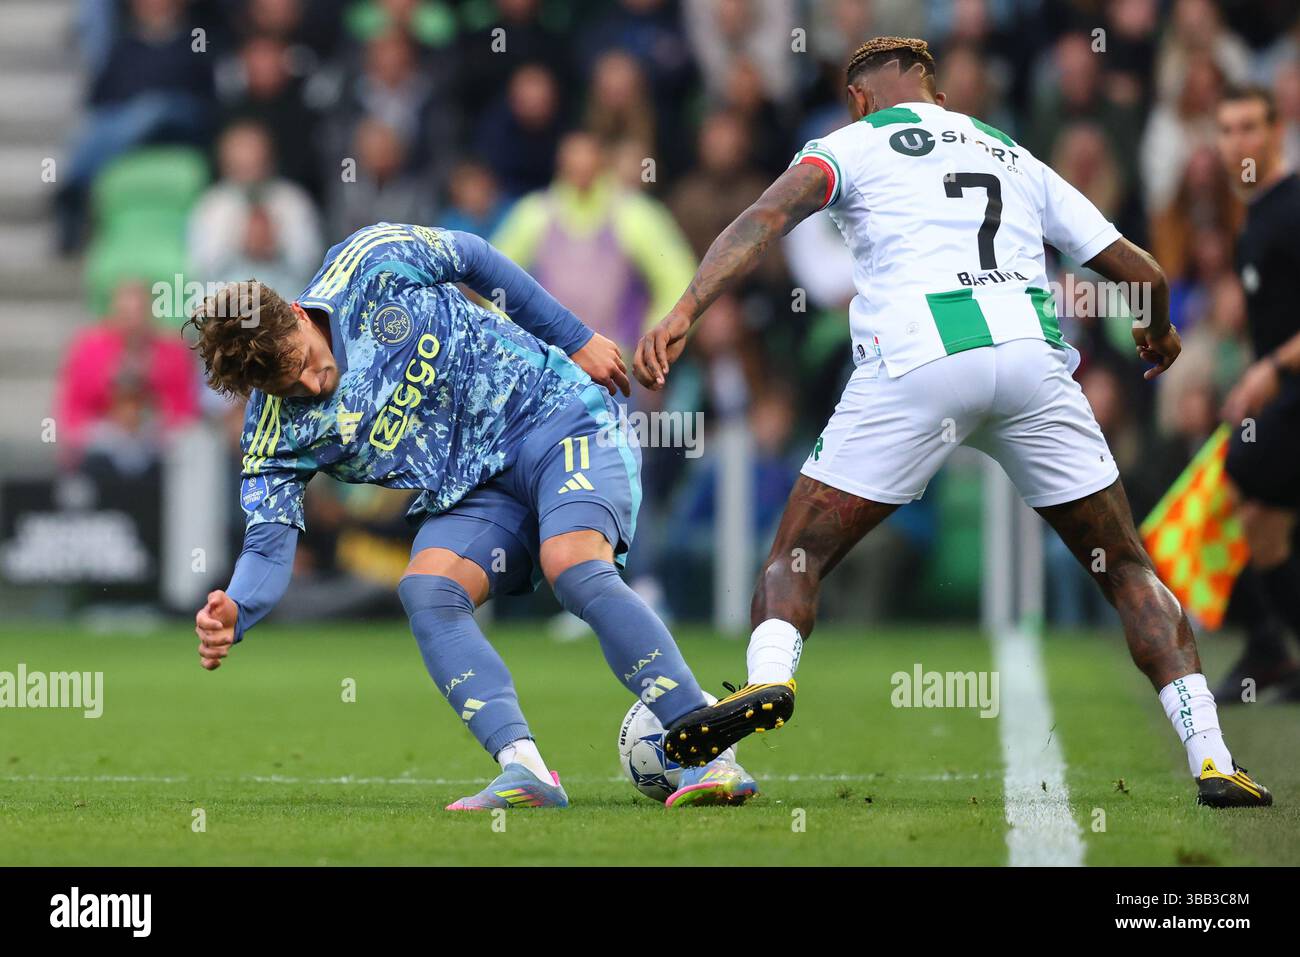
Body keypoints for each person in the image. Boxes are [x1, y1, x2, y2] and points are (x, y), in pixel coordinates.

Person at [634, 37, 1272, 809]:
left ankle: (769, 680)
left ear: (862, 99)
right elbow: (1143, 272)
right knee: (1129, 568)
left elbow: (764, 219)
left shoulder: (850, 143)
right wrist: (1159, 330)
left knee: (797, 553)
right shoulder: (1011, 150)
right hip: (1034, 361)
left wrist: (685, 308)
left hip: (920, 361)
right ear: (937, 95)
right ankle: (1213, 757)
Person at [186, 223, 773, 809]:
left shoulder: (370, 263)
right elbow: (268, 545)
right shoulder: (272, 435)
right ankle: (525, 770)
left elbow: (475, 257)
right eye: (291, 386)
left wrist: (573, 337)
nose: (315, 381)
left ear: (296, 311)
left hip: (557, 414)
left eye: (307, 360)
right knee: (427, 590)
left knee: (569, 561)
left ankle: (709, 754)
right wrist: (239, 607)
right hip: (476, 492)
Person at [1214, 86, 1300, 701]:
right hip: (1283, 394)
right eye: (1227, 130)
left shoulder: (1293, 208)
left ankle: (1269, 647)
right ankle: (1272, 649)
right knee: (1261, 521)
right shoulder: (1255, 218)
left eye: (1250, 127)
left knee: (1238, 481)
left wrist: (1268, 371)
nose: (1239, 142)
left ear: (1276, 131)